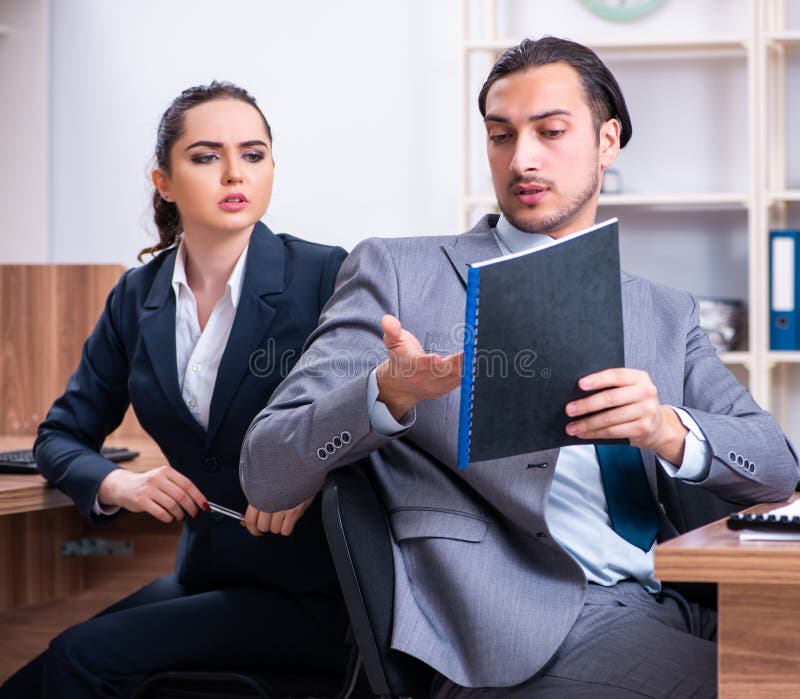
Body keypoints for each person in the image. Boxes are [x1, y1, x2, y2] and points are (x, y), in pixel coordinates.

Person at [239, 37, 800, 698]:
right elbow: (267, 469)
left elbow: (779, 465)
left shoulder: (663, 312)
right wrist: (381, 396)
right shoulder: (401, 276)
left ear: (607, 141)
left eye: (551, 132)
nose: (522, 159)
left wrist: (668, 429)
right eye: (501, 136)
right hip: (521, 632)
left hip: (687, 597)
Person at [0, 81, 349, 698]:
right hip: (203, 577)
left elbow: (374, 420)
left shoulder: (326, 274)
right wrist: (120, 483)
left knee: (81, 659)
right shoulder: (136, 297)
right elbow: (61, 436)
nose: (234, 173)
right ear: (164, 180)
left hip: (312, 591)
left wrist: (312, 472)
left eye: (254, 153)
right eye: (207, 156)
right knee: (38, 677)